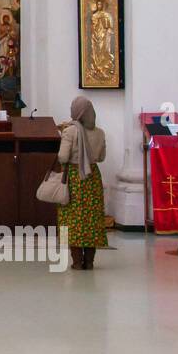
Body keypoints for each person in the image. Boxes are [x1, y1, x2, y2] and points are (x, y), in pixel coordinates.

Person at [54, 96, 108, 269]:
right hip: (92, 178)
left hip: (74, 178)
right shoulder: (100, 132)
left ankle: (77, 262)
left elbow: (62, 157)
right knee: (92, 219)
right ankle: (90, 261)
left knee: (72, 218)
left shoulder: (70, 131)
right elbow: (101, 157)